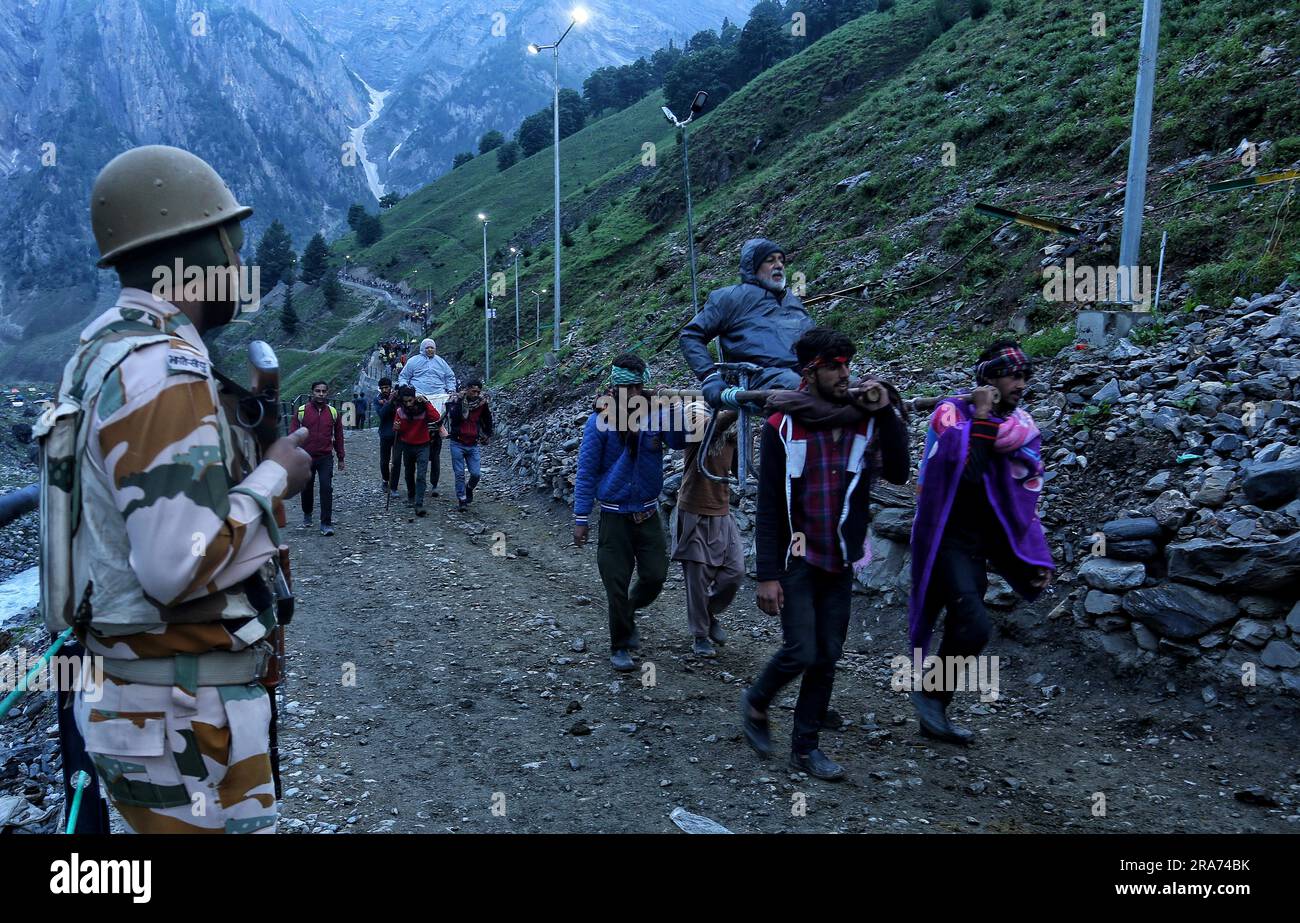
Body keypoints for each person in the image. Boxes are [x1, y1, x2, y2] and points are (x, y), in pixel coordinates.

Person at [58, 144, 311, 833]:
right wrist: (274, 474)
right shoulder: (162, 369)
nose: (240, 268)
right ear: (194, 255)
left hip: (162, 711)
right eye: (232, 247)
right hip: (180, 720)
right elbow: (174, 565)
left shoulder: (102, 349)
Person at [742, 327, 910, 780]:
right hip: (798, 558)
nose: (844, 374)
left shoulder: (863, 418)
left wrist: (889, 413)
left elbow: (897, 471)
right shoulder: (782, 424)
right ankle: (757, 701)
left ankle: (805, 747)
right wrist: (767, 574)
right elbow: (771, 503)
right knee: (800, 649)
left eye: (847, 364)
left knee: (828, 654)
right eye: (834, 365)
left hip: (839, 558)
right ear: (810, 372)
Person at [908, 340, 1054, 744]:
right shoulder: (950, 414)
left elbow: (1022, 498)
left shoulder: (1022, 427)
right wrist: (985, 415)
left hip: (982, 542)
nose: (1021, 383)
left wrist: (1032, 558)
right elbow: (966, 471)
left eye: (1025, 376)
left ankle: (933, 709)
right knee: (974, 625)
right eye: (1013, 375)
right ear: (988, 377)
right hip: (945, 536)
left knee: (964, 626)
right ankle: (930, 698)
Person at [573, 354, 687, 672]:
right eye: (629, 388)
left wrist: (674, 408)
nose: (635, 394)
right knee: (616, 582)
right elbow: (586, 472)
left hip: (647, 513)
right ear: (615, 388)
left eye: (640, 387)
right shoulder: (599, 423)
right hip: (613, 516)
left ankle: (628, 611)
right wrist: (581, 518)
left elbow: (678, 442)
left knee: (655, 575)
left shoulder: (655, 415)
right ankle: (620, 644)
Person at [679, 237, 813, 404]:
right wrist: (709, 375)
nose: (779, 265)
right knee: (799, 389)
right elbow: (691, 335)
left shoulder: (792, 300)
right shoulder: (729, 298)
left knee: (850, 386)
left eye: (781, 260)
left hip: (807, 370)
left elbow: (813, 339)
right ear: (753, 267)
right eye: (770, 260)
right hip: (757, 375)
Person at [671, 402, 744, 657]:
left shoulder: (735, 425)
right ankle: (700, 635)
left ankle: (708, 612)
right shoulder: (693, 412)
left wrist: (748, 432)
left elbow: (740, 468)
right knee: (697, 577)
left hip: (721, 511)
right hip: (694, 509)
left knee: (734, 572)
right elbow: (712, 427)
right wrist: (741, 408)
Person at [398, 338, 458, 497]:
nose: (430, 350)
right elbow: (403, 377)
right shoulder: (413, 361)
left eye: (433, 348)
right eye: (428, 348)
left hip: (438, 395)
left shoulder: (441, 362)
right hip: (419, 395)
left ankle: (442, 428)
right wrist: (406, 388)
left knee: (450, 404)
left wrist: (451, 390)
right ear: (423, 348)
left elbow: (450, 377)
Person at [290, 381, 345, 536]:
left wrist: (341, 457)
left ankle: (326, 523)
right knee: (306, 487)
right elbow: (293, 435)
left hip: (325, 457)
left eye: (323, 391)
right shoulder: (301, 411)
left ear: (327, 393)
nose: (320, 394)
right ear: (312, 392)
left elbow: (339, 436)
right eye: (317, 391)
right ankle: (307, 512)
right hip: (305, 457)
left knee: (326, 488)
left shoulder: (333, 413)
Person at [390, 385, 441, 516]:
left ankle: (419, 503)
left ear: (415, 398)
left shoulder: (424, 409)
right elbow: (397, 429)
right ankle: (411, 496)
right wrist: (396, 427)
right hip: (407, 445)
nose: (408, 404)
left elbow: (436, 417)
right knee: (409, 473)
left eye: (410, 400)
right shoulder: (400, 411)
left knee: (421, 475)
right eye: (405, 401)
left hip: (423, 445)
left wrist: (426, 402)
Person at [445, 379, 494, 513]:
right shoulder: (455, 401)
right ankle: (462, 499)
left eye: (478, 391)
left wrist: (488, 434)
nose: (476, 394)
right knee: (459, 473)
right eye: (473, 391)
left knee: (476, 473)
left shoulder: (482, 404)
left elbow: (487, 418)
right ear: (466, 390)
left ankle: (469, 488)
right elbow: (453, 416)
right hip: (457, 442)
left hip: (473, 443)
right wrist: (460, 402)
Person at [375, 377, 398, 496]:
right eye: (382, 388)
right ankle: (385, 480)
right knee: (384, 460)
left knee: (396, 460)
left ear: (390, 387)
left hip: (398, 433)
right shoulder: (377, 399)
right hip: (384, 433)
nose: (384, 390)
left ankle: (394, 485)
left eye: (386, 387)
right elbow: (382, 414)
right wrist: (390, 401)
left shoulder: (397, 398)